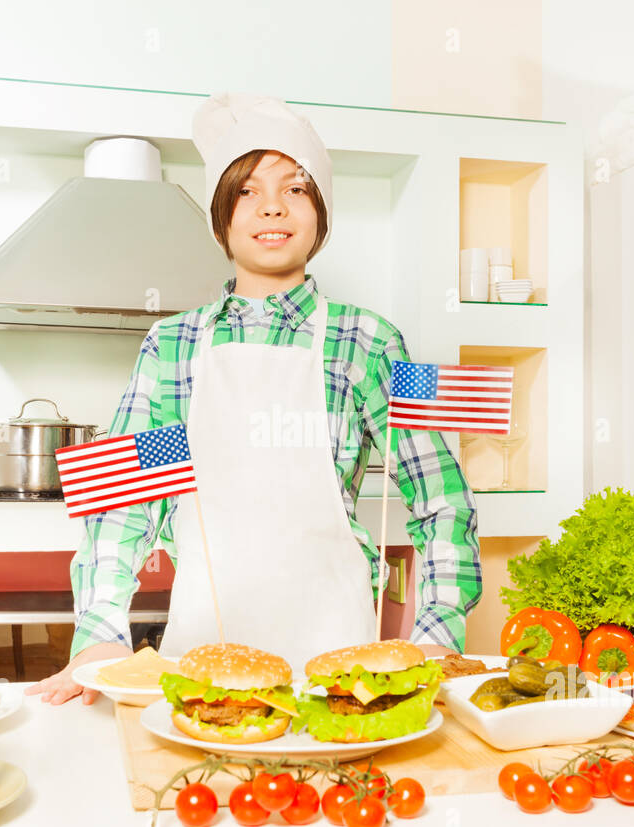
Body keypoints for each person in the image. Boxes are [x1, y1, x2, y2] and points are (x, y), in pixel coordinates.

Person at [30, 92, 481, 705]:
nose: (273, 207)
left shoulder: (372, 340)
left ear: (320, 215)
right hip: (200, 661)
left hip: (344, 666)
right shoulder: (173, 344)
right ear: (221, 221)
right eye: (247, 191)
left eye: (295, 189)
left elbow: (443, 499)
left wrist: (437, 633)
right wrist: (97, 632)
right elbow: (123, 506)